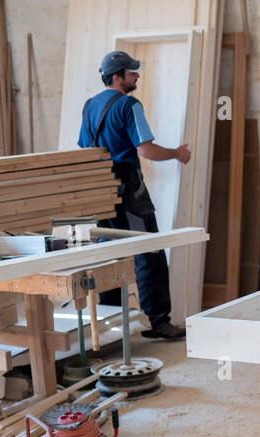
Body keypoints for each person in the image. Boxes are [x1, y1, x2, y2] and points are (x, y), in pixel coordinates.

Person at [78, 50, 190, 341]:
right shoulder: (129, 105)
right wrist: (177, 154)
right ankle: (159, 322)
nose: (137, 76)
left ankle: (112, 323)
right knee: (149, 252)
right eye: (132, 72)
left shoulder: (89, 106)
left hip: (99, 187)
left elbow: (84, 150)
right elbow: (146, 150)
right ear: (118, 77)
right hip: (128, 188)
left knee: (107, 254)